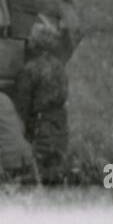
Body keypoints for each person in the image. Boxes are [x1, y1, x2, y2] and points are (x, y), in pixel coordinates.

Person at [14, 21, 71, 180]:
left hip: (41, 126)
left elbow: (22, 108)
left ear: (36, 43)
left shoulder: (30, 69)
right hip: (60, 123)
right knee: (56, 168)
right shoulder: (59, 66)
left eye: (31, 38)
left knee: (36, 173)